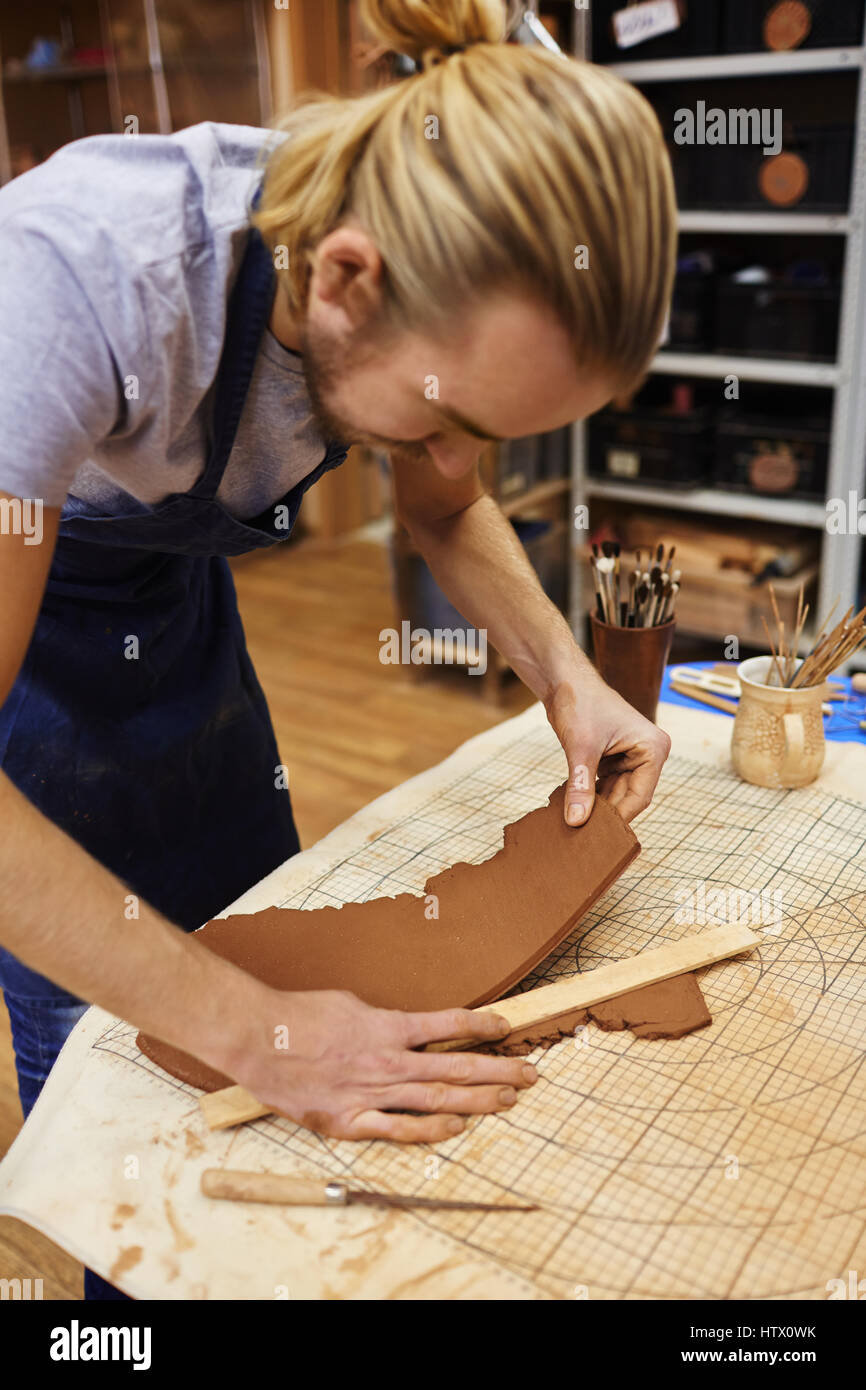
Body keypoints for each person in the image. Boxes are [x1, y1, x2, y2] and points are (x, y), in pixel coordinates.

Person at [0, 0, 674, 1294]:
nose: (452, 444)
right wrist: (260, 1037)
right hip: (27, 653)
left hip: (173, 616)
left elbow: (444, 498)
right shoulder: (79, 284)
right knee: (123, 1091)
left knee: (275, 945)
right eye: (460, 413)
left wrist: (567, 678)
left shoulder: (408, 260)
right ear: (349, 278)